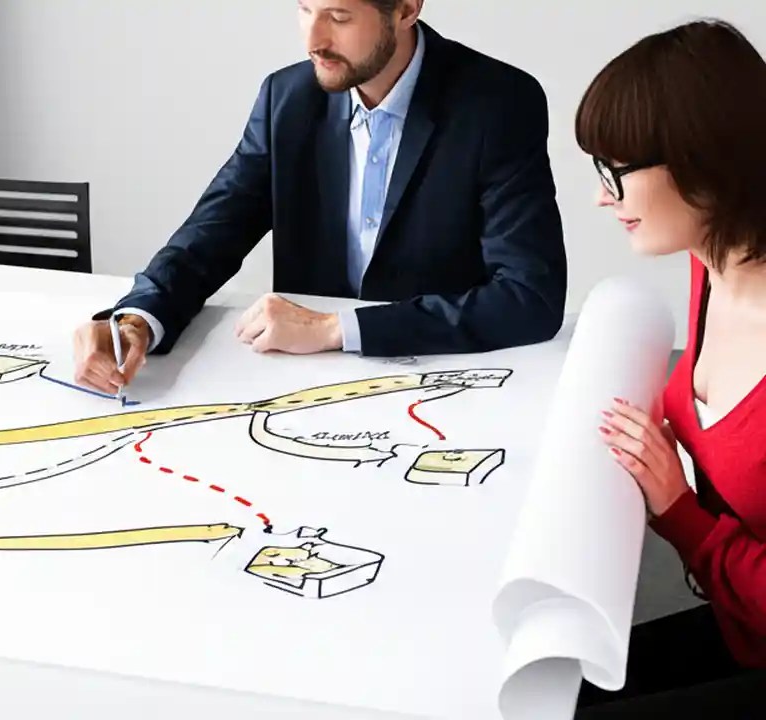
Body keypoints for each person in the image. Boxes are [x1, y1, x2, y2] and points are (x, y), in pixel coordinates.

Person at [72, 0, 567, 395]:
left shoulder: (498, 103)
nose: (313, 40)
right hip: (301, 386)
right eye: (304, 9)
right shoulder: (286, 97)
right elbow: (211, 232)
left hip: (447, 384)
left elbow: (530, 299)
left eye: (339, 16)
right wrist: (136, 319)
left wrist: (336, 328)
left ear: (407, 9)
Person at [573, 18, 766, 718]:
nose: (602, 196)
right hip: (736, 620)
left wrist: (679, 513)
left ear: (700, 161)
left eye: (615, 172)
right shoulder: (710, 262)